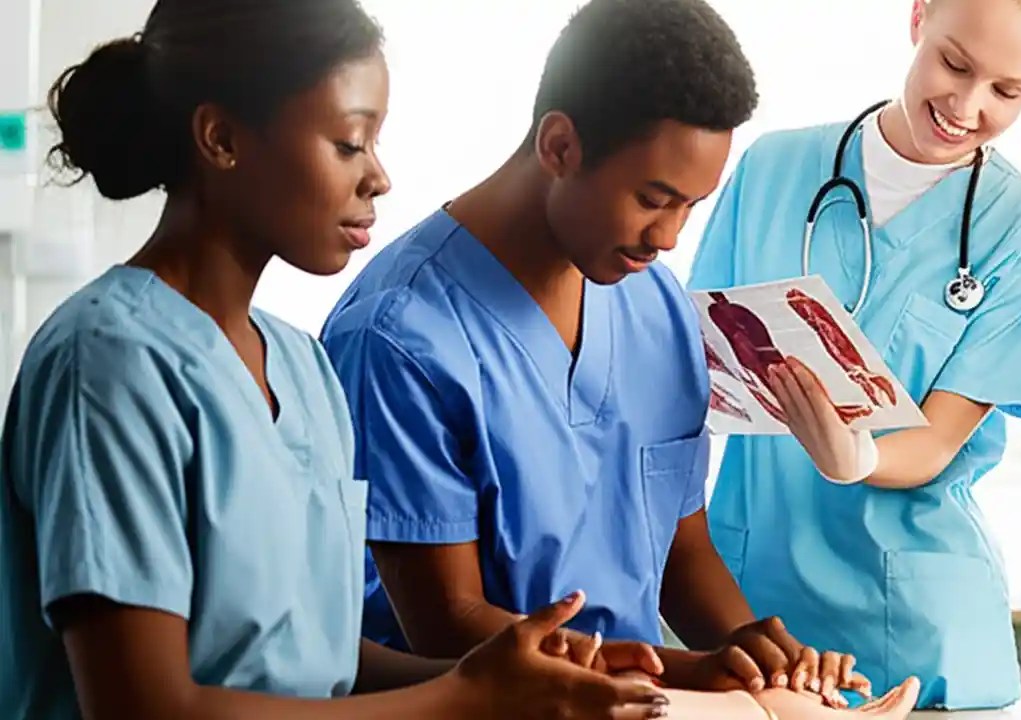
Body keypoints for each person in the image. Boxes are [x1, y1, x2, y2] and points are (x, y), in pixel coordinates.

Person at [0, 2, 674, 718]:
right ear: (222, 138)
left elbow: (318, 657)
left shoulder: (302, 368)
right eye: (351, 144)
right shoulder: (111, 363)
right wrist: (460, 699)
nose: (378, 178)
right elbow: (143, 704)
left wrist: (508, 673)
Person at [319, 0, 871, 707]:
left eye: (690, 208)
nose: (667, 237)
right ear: (559, 147)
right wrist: (673, 673)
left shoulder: (657, 305)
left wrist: (752, 652)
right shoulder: (400, 337)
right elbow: (446, 626)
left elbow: (679, 542)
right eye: (653, 198)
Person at [687, 0, 1021, 710]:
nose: (966, 105)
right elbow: (691, 367)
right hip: (748, 599)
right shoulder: (771, 169)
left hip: (916, 629)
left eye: (1007, 91)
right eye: (954, 63)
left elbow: (936, 438)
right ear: (919, 17)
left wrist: (859, 457)